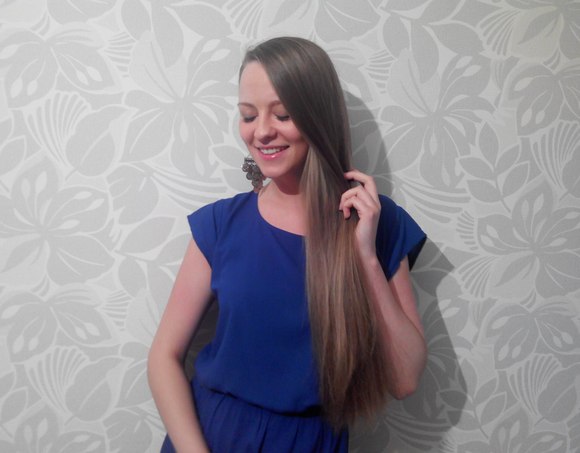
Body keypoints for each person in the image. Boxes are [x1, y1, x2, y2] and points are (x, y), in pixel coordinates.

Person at [148, 36, 427, 453]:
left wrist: (366, 259)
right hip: (211, 437)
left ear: (317, 116)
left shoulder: (376, 222)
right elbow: (163, 357)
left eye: (282, 114)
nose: (261, 131)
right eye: (248, 115)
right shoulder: (221, 224)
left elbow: (404, 380)